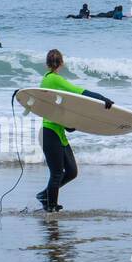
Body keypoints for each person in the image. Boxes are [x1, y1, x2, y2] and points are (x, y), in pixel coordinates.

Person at [34, 49, 114, 212]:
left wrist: (70, 123)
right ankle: (51, 207)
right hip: (50, 133)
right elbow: (80, 92)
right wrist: (102, 98)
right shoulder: (54, 79)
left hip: (57, 133)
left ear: (47, 63)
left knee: (71, 171)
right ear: (61, 63)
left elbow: (57, 110)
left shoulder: (46, 81)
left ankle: (45, 196)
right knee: (57, 173)